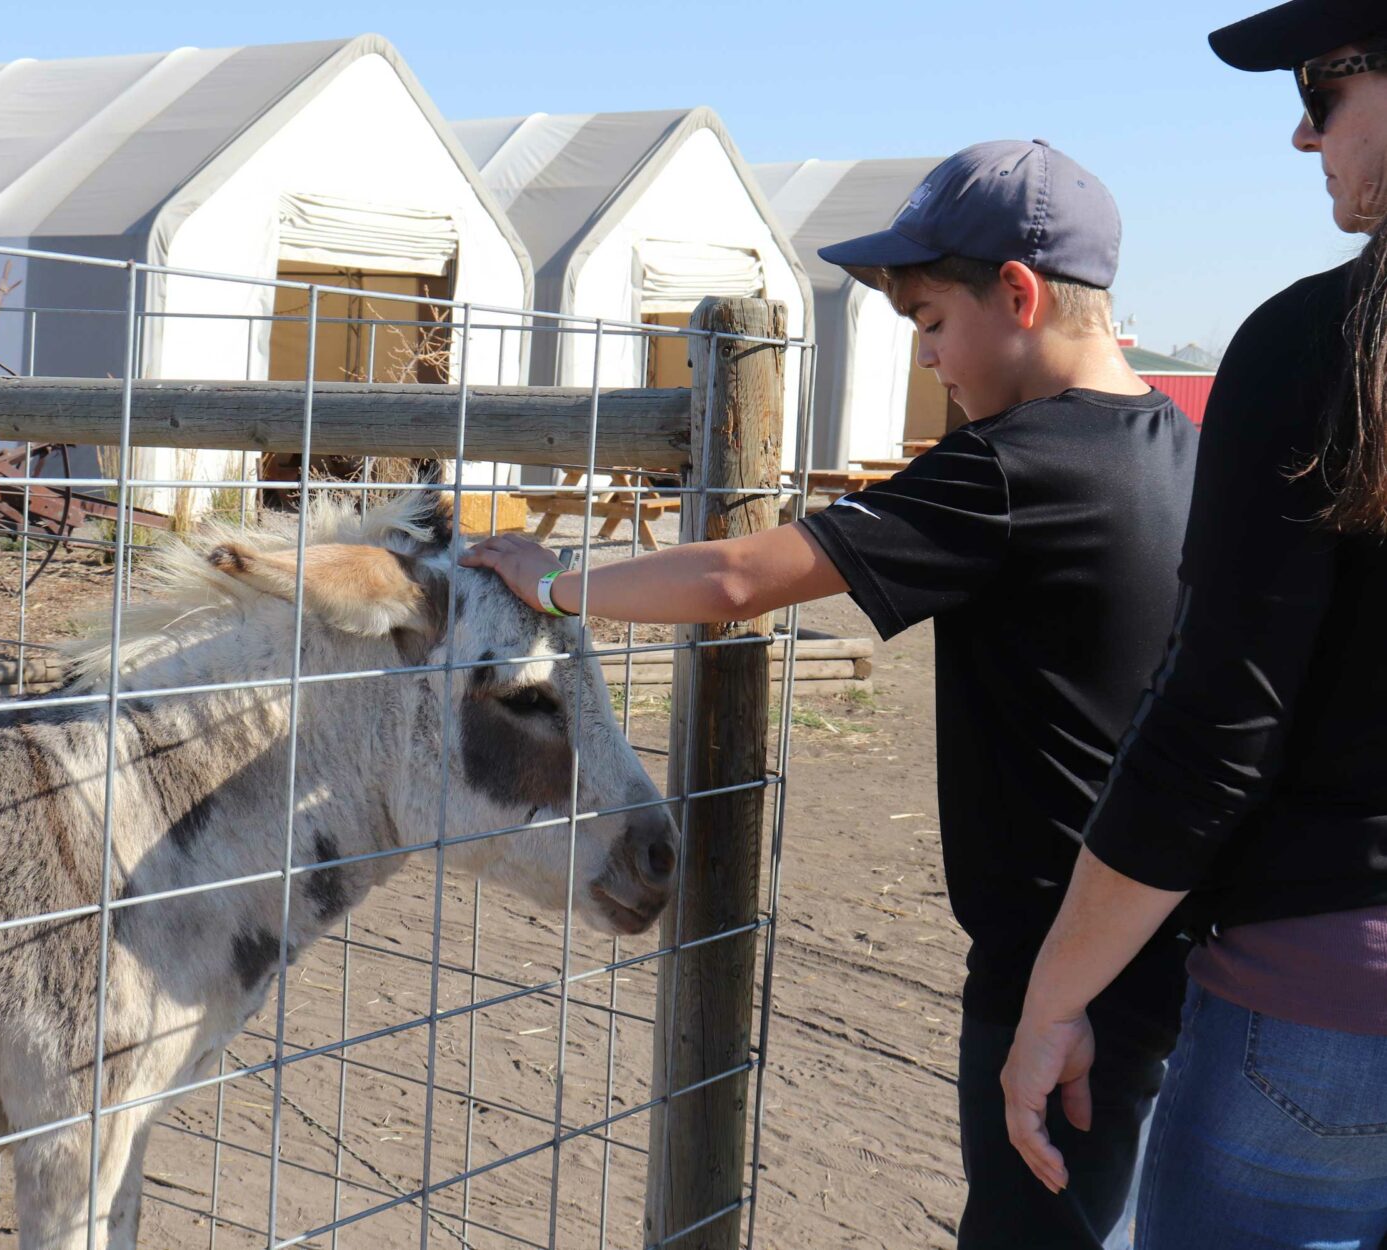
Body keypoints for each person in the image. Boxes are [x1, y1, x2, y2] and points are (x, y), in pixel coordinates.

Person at [462, 140, 1198, 1249]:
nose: (932, 357)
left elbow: (735, 577)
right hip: (1170, 942)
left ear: (1020, 293)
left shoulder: (1010, 465)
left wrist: (554, 579)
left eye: (932, 322)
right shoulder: (1183, 451)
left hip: (1055, 969)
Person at [1001, 3, 1387, 1247]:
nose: (1298, 131)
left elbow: (1218, 724)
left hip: (1327, 1013)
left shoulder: (1317, 347)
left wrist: (1055, 995)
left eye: (1325, 85)